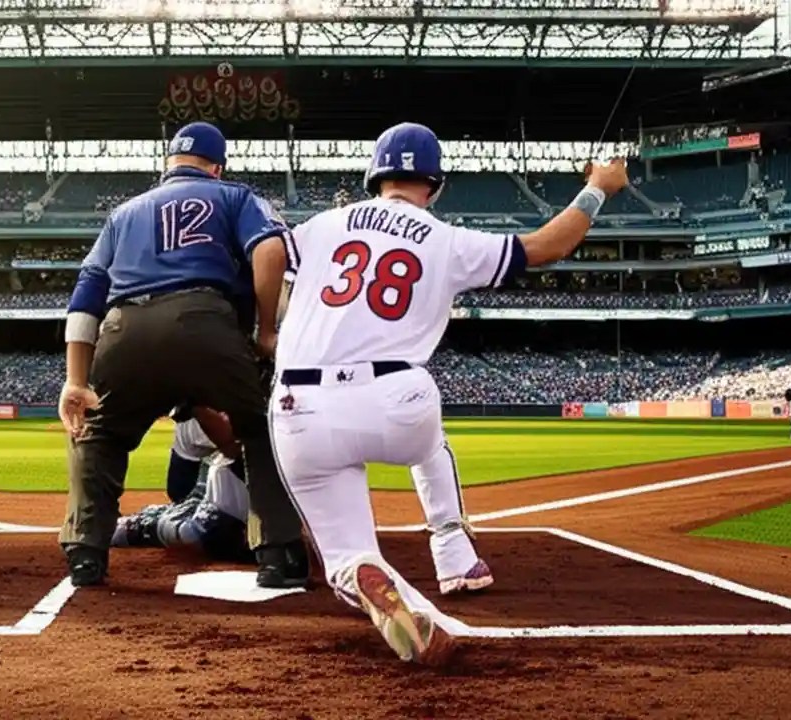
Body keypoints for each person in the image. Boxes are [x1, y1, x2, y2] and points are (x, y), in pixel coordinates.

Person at [265, 122, 629, 665]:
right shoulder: (446, 239)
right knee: (430, 440)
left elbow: (269, 254)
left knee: (346, 556)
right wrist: (598, 187)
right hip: (398, 398)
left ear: (374, 177)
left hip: (302, 406)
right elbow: (548, 246)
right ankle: (453, 552)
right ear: (434, 185)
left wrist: (267, 328)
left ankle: (372, 578)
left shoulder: (321, 225)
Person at [57, 121, 307, 589]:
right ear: (217, 167)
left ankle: (85, 553)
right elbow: (271, 249)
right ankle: (279, 555)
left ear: (168, 164)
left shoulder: (123, 213)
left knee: (100, 434)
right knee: (261, 427)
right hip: (206, 324)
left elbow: (87, 291)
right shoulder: (234, 196)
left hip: (124, 330)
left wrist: (75, 380)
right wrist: (266, 331)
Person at [113, 406, 252, 563]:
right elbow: (180, 487)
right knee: (200, 532)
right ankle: (143, 526)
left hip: (260, 475)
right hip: (222, 468)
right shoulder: (194, 425)